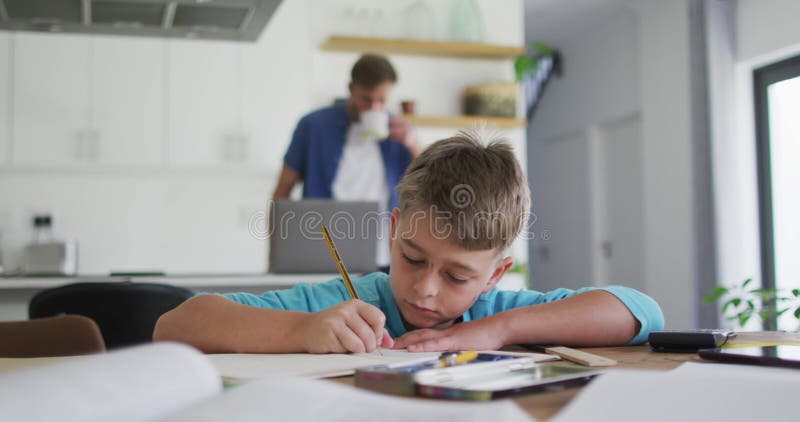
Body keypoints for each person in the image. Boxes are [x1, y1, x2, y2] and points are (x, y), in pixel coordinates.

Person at [154, 131, 664, 354]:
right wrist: (304, 329)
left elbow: (640, 313)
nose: (424, 289)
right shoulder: (347, 303)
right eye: (412, 258)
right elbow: (176, 326)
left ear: (495, 275)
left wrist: (498, 330)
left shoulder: (496, 310)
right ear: (393, 231)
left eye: (458, 276)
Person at [272, 53, 421, 210]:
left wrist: (413, 144)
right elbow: (283, 189)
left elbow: (427, 187)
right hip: (323, 230)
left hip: (382, 231)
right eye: (366, 99)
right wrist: (275, 233)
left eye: (382, 100)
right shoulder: (313, 126)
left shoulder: (401, 133)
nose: (374, 108)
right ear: (351, 89)